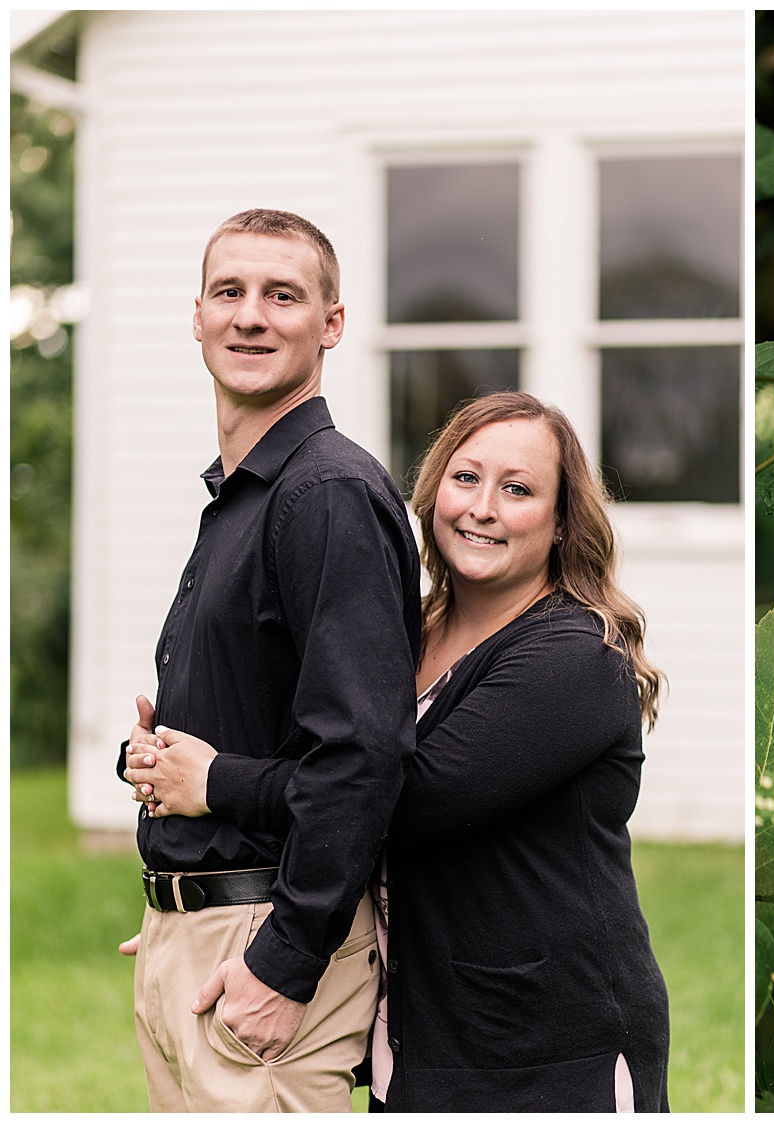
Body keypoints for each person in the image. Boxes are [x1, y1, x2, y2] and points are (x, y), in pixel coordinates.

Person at [126, 391, 672, 1111]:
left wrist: (219, 781)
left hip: (547, 1041)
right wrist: (210, 897)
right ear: (433, 488)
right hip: (422, 1025)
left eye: (518, 489)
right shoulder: (410, 633)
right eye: (466, 477)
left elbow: (401, 794)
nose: (482, 506)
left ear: (562, 521)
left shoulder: (575, 655)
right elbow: (324, 756)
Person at [118, 209, 423, 1112]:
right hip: (194, 933)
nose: (251, 315)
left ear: (331, 323)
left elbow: (365, 752)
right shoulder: (245, 496)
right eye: (230, 291)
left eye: (281, 295)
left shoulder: (325, 492)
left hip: (267, 947)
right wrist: (157, 782)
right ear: (199, 315)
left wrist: (282, 959)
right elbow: (267, 721)